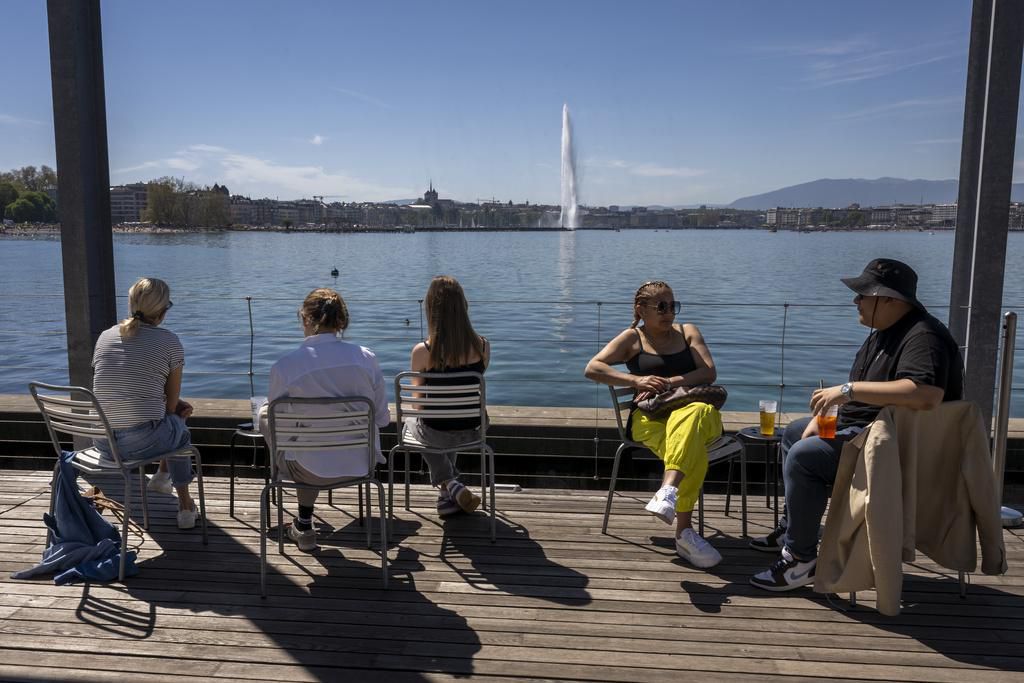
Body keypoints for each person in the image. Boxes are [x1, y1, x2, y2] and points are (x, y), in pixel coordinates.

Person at [749, 258, 964, 592]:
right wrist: (826, 417)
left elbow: (926, 394)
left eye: (863, 294)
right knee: (793, 433)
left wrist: (845, 391)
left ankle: (801, 559)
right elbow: (865, 401)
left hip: (895, 451)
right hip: (869, 433)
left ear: (890, 299)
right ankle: (795, 527)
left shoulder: (924, 336)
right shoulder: (884, 333)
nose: (856, 301)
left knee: (806, 457)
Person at [585, 280, 724, 568]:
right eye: (661, 306)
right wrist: (636, 380)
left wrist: (668, 383)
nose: (669, 312)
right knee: (691, 449)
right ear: (641, 309)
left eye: (673, 305)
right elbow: (593, 368)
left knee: (694, 413)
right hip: (650, 419)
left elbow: (708, 372)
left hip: (700, 415)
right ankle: (684, 532)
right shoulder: (632, 338)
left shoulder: (688, 332)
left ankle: (669, 491)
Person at [265, 288, 390, 551]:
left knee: (268, 416)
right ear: (342, 321)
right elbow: (381, 419)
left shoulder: (286, 366)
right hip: (361, 464)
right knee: (305, 440)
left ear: (305, 319)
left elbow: (280, 427)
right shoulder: (367, 358)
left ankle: (304, 524)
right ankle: (303, 523)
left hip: (306, 468)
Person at [92, 277, 199, 530]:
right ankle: (184, 507)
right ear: (162, 312)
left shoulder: (105, 337)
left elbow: (114, 388)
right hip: (139, 445)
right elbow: (171, 406)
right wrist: (172, 405)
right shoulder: (169, 341)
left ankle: (163, 477)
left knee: (172, 422)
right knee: (179, 425)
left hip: (102, 442)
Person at [405, 275, 487, 517]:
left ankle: (450, 484)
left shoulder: (422, 351)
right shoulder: (483, 347)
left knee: (413, 423)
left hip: (437, 430)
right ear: (464, 306)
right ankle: (446, 496)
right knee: (444, 423)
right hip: (473, 428)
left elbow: (418, 402)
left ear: (431, 309)